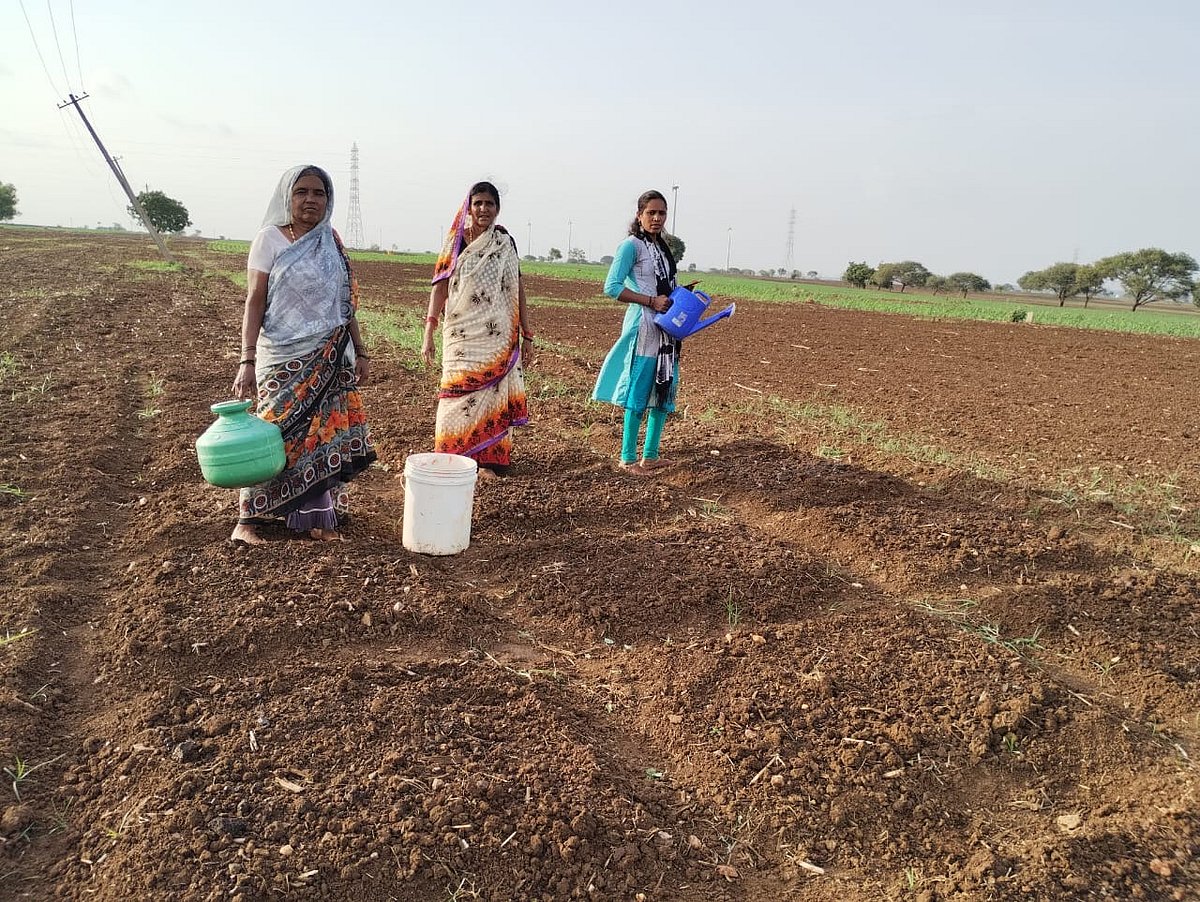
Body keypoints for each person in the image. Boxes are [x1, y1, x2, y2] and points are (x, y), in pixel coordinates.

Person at [229, 164, 375, 544]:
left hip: (331, 353)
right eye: (302, 192)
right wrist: (246, 359)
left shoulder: (332, 240)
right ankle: (248, 521)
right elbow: (254, 301)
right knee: (273, 433)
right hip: (281, 355)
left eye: (319, 193)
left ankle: (316, 519)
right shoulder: (270, 239)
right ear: (286, 197)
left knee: (322, 435)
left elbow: (346, 303)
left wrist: (360, 350)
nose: (311, 200)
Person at [421, 181, 532, 477]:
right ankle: (449, 457)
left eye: (489, 204)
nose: (484, 209)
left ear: (497, 208)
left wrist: (527, 333)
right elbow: (440, 287)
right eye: (478, 203)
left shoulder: (504, 243)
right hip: (460, 333)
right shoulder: (456, 241)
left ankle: (489, 462)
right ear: (468, 207)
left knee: (492, 394)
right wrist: (429, 331)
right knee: (454, 396)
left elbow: (517, 288)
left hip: (497, 335)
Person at [593, 189, 684, 475]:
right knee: (639, 390)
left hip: (667, 331)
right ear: (639, 215)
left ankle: (651, 455)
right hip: (643, 328)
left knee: (665, 388)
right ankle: (628, 459)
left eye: (661, 213)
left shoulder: (662, 248)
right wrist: (650, 301)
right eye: (651, 213)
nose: (656, 218)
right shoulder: (631, 246)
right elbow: (612, 287)